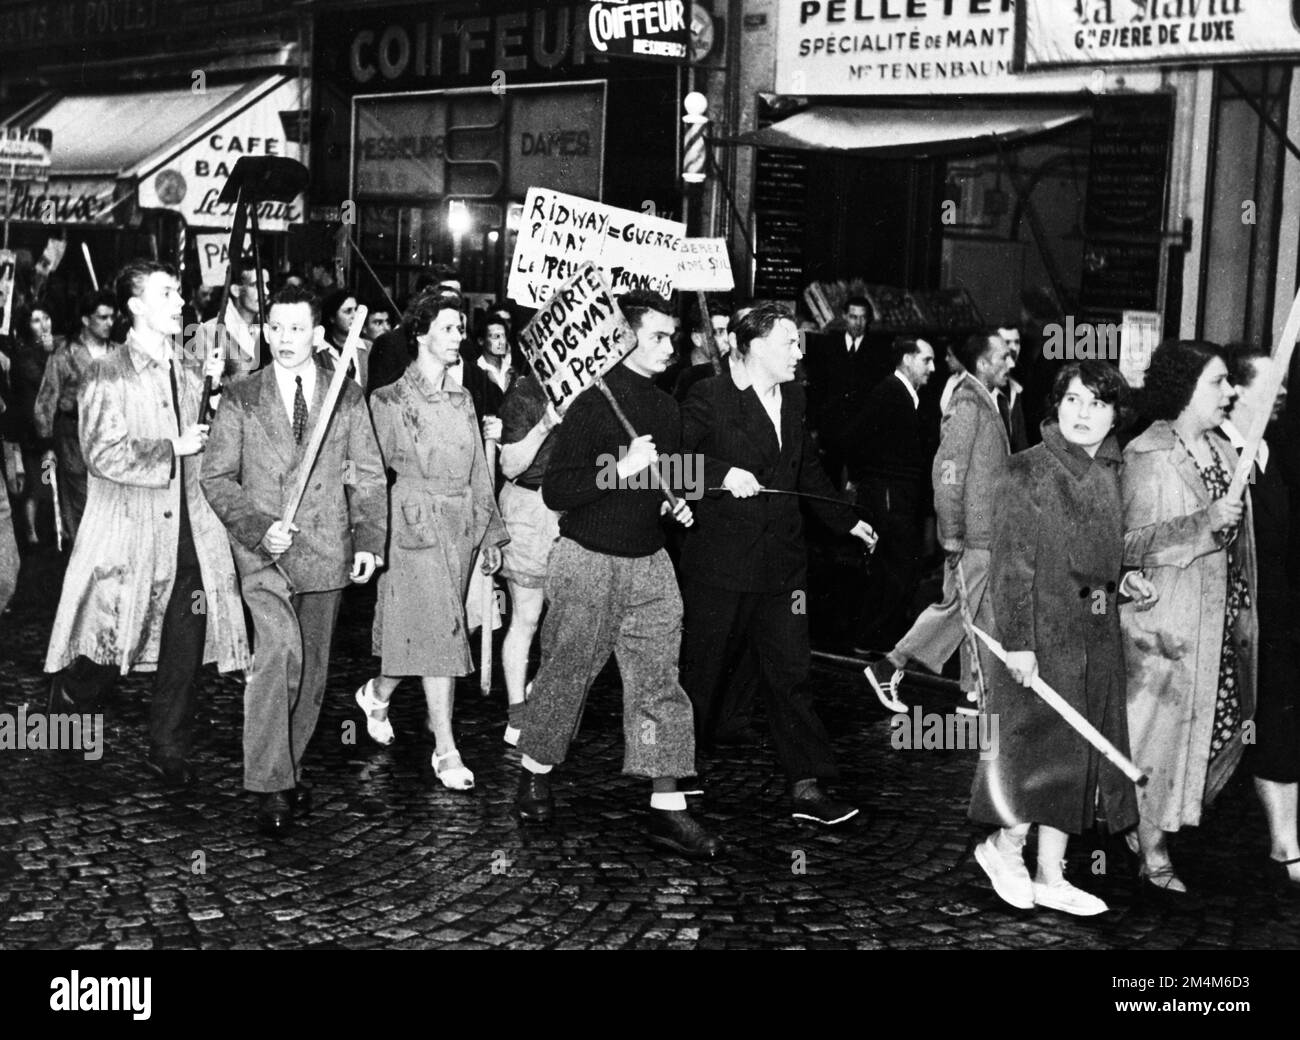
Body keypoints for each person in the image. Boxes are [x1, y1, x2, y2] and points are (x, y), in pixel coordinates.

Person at [513, 290, 722, 859]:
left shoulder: (666, 408)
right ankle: (535, 772)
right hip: (587, 559)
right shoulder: (591, 403)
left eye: (673, 337)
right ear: (625, 336)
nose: (670, 347)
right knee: (567, 671)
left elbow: (663, 485)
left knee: (660, 681)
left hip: (650, 563)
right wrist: (620, 469)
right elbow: (558, 492)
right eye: (657, 335)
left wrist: (671, 504)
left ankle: (666, 806)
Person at [44, 260, 249, 785]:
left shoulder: (191, 367)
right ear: (135, 306)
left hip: (189, 531)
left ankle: (169, 748)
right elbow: (100, 452)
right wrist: (172, 447)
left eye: (179, 292)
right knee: (115, 638)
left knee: (184, 640)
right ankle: (71, 693)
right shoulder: (106, 372)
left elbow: (212, 447)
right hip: (129, 531)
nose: (179, 302)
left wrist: (215, 418)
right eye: (166, 293)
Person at [970, 361, 1158, 915]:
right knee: (1034, 756)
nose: (1084, 414)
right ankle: (1003, 848)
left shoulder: (1107, 473)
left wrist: (1124, 582)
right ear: (1057, 405)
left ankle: (1051, 873)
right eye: (1074, 400)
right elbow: (1012, 567)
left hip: (1093, 642)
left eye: (1098, 404)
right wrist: (1020, 643)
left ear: (1115, 415)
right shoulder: (1027, 470)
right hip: (1041, 641)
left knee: (1076, 760)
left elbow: (1096, 566)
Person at [680, 303, 877, 824]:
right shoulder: (709, 396)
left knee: (791, 673)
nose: (798, 352)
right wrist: (722, 474)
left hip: (781, 565)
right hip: (720, 564)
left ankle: (808, 785)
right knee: (701, 672)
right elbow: (676, 464)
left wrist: (845, 520)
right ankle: (676, 774)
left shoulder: (794, 397)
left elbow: (805, 469)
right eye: (789, 342)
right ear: (754, 346)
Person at [201, 284, 387, 834]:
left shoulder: (345, 395)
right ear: (265, 331)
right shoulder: (241, 395)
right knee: (277, 654)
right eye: (275, 328)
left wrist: (370, 540)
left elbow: (369, 475)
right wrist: (258, 529)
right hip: (262, 552)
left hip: (326, 547)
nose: (284, 339)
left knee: (312, 671)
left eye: (296, 328)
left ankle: (290, 765)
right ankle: (271, 784)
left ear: (317, 333)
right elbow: (216, 476)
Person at [353, 290, 507, 791]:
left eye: (460, 328)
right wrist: (369, 537)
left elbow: (480, 473)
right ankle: (445, 749)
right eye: (446, 327)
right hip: (413, 529)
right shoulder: (388, 400)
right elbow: (370, 475)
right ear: (419, 334)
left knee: (420, 633)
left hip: (459, 529)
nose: (457, 336)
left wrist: (490, 534)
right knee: (441, 633)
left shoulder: (465, 399)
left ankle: (377, 694)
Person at [1121, 340, 1257, 898]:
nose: (1230, 394)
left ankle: (1147, 825)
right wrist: (1204, 523)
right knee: (1158, 743)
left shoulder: (1226, 453)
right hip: (1168, 631)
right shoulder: (1148, 455)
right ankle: (1152, 852)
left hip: (1221, 627)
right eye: (1218, 383)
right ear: (1184, 390)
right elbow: (1124, 544)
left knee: (1214, 737)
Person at [864, 332, 1013, 713]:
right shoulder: (968, 403)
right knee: (954, 608)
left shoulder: (985, 401)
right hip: (971, 533)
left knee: (982, 613)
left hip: (985, 531)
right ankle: (888, 665)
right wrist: (951, 532)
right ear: (982, 362)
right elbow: (947, 472)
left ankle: (973, 691)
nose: (1010, 364)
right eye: (1003, 357)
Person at [1222, 345, 1300, 888]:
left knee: (1280, 723)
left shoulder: (1273, 453)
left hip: (1279, 619)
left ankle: (1285, 843)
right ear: (1236, 393)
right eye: (1273, 384)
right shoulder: (1220, 458)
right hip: (1233, 623)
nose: (1286, 392)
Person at [846, 336, 936, 652]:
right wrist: (871, 479)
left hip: (900, 495)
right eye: (927, 360)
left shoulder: (908, 396)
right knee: (894, 566)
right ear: (907, 359)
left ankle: (878, 636)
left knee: (897, 567)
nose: (932, 368)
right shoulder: (889, 393)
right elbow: (856, 437)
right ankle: (873, 637)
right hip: (888, 496)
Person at [497, 367, 562, 746]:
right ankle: (517, 713)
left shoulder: (591, 388)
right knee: (527, 617)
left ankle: (541, 690)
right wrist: (546, 423)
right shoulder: (524, 394)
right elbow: (509, 465)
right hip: (530, 506)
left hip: (571, 507)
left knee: (572, 615)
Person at [33, 290, 117, 543]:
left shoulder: (119, 353)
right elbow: (46, 401)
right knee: (83, 505)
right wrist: (47, 444)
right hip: (75, 439)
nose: (109, 323)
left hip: (114, 438)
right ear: (85, 320)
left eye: (112, 317)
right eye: (102, 317)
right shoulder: (64, 355)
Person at [806, 294, 878, 487]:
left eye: (863, 318)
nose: (858, 323)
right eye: (854, 317)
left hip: (861, 429)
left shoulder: (877, 350)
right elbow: (817, 387)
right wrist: (814, 426)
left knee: (859, 482)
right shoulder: (828, 345)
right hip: (832, 428)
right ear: (845, 316)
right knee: (830, 479)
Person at [8, 307, 57, 545]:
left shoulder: (54, 349)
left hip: (51, 424)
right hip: (33, 428)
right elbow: (41, 382)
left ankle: (53, 524)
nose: (44, 324)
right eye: (36, 320)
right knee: (35, 481)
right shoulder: (26, 354)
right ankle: (31, 531)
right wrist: (48, 354)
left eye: (46, 318)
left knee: (49, 475)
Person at [201, 263, 267, 384]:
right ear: (236, 290)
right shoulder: (210, 331)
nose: (266, 292)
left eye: (267, 285)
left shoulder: (269, 329)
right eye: (256, 285)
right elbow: (201, 388)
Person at [317, 289, 369, 391]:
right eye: (348, 311)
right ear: (332, 318)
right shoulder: (320, 352)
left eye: (356, 310)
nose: (355, 316)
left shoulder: (367, 348)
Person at [996, 325, 1030, 452]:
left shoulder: (1017, 389)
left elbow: (1020, 442)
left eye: (1017, 342)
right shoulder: (980, 386)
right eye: (1007, 342)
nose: (1013, 348)